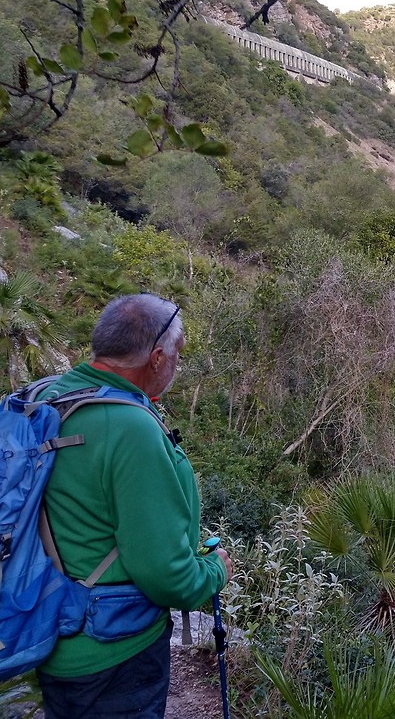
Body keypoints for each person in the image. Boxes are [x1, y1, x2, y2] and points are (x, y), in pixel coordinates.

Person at [34, 294, 232, 718]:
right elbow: (167, 577)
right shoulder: (130, 428)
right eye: (177, 354)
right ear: (157, 358)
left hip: (56, 636)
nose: (178, 363)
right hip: (115, 657)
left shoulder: (54, 396)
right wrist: (215, 571)